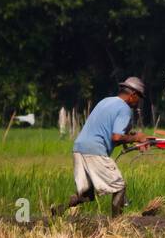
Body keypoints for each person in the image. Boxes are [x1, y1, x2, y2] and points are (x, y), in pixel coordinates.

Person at [52, 77, 150, 216]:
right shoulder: (124, 109)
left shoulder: (105, 101)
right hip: (94, 151)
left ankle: (58, 209)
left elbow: (107, 129)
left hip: (79, 148)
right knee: (119, 187)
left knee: (87, 194)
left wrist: (130, 137)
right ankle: (117, 225)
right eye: (138, 98)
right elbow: (116, 137)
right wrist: (137, 137)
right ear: (132, 95)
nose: (138, 102)